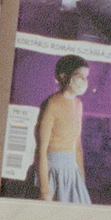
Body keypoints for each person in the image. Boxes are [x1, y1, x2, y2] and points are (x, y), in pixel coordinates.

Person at [32, 52, 92, 208]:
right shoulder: (52, 104)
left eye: (86, 77)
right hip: (51, 171)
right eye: (79, 76)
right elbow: (41, 150)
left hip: (71, 171)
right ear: (63, 76)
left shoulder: (78, 105)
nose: (84, 81)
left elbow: (77, 145)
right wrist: (45, 189)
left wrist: (81, 180)